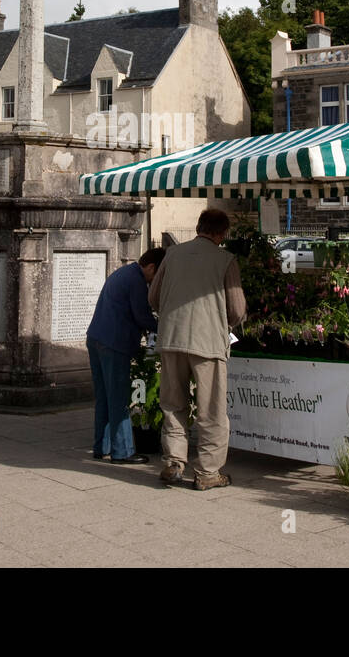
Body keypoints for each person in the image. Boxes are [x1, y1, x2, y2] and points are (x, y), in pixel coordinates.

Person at [147, 209, 246, 491]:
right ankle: (208, 472)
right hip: (208, 342)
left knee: (173, 404)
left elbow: (153, 297)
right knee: (211, 410)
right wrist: (224, 321)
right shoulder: (225, 259)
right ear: (222, 233)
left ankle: (174, 461)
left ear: (198, 227)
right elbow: (237, 309)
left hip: (171, 338)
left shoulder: (172, 254)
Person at [86, 248, 165, 464]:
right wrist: (166, 327)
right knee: (119, 398)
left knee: (104, 397)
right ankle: (123, 451)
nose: (157, 281)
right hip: (114, 344)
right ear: (151, 268)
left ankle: (101, 447)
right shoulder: (136, 280)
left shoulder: (123, 273)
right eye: (159, 275)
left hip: (96, 338)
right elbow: (142, 316)